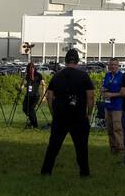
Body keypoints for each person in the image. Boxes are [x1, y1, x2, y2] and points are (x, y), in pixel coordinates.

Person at [40, 48, 95, 177]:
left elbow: (49, 96)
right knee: (81, 146)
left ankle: (46, 171)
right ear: (77, 61)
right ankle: (84, 172)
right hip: (79, 116)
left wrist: (53, 113)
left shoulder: (57, 76)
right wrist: (89, 113)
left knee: (53, 145)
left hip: (60, 116)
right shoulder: (84, 76)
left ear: (65, 61)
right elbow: (91, 96)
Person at [102, 58, 125, 155]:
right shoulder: (107, 75)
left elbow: (123, 93)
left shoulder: (122, 76)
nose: (113, 66)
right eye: (111, 65)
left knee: (117, 128)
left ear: (118, 66)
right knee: (110, 129)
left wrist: (111, 95)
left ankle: (121, 148)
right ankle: (113, 149)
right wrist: (103, 90)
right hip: (108, 106)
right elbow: (105, 87)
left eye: (115, 65)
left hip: (117, 107)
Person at [21, 59, 44, 128]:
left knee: (31, 109)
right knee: (25, 109)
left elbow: (43, 84)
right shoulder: (27, 76)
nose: (31, 70)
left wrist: (43, 95)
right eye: (29, 69)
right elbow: (25, 84)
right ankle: (32, 122)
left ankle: (35, 125)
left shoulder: (39, 75)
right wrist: (21, 87)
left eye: (32, 69)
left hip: (35, 95)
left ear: (34, 68)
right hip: (28, 95)